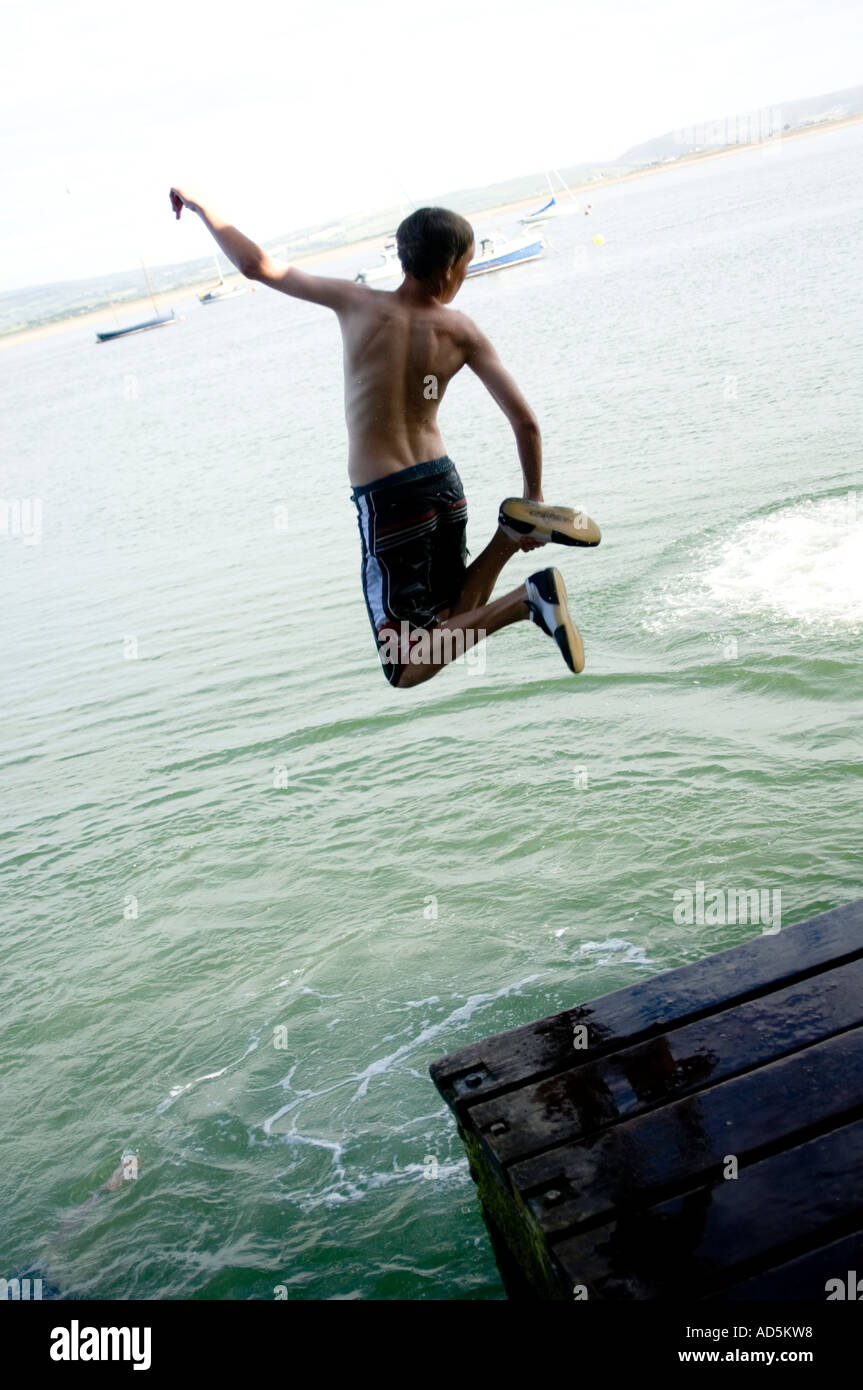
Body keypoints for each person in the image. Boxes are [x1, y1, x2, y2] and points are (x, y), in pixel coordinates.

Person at [169, 192, 600, 687]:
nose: (463, 276)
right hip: (443, 486)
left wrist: (203, 209)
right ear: (445, 271)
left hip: (391, 499)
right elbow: (525, 421)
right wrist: (534, 496)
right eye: (465, 265)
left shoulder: (355, 302)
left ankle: (529, 600)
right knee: (455, 613)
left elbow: (255, 265)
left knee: (404, 664)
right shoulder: (462, 332)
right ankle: (510, 534)